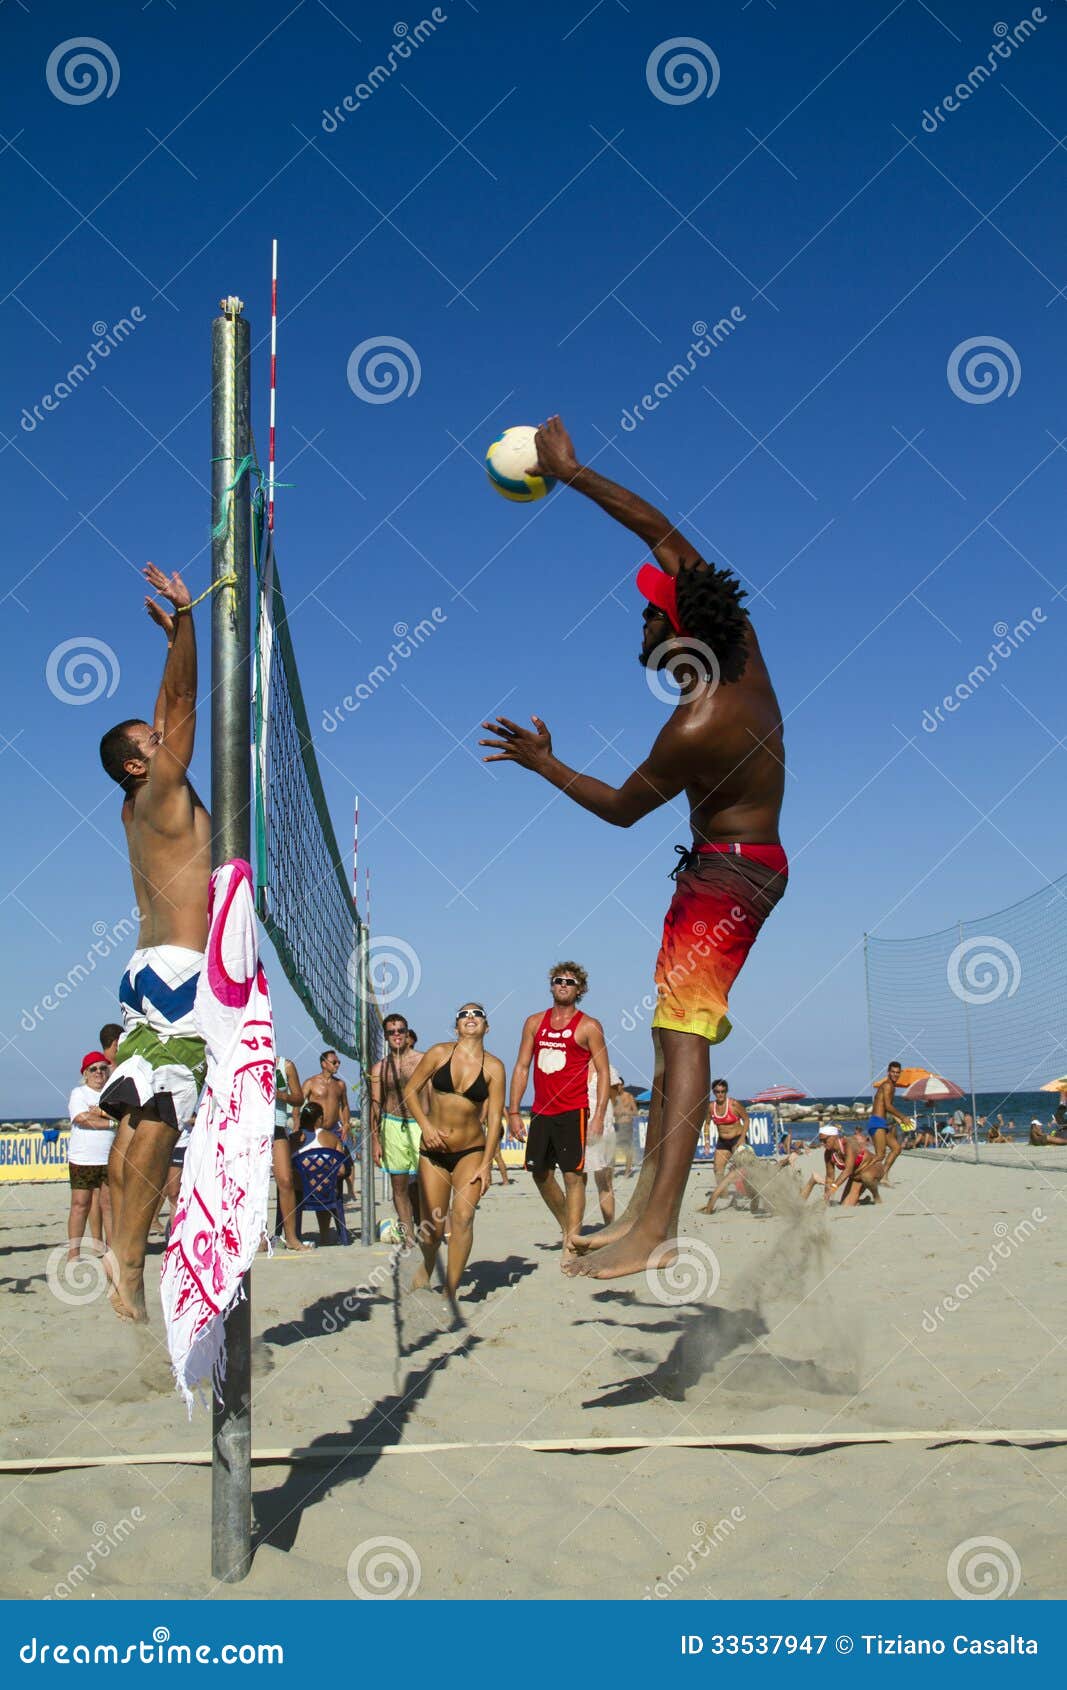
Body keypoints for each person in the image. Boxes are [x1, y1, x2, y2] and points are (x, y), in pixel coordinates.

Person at [481, 416, 787, 1282]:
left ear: (678, 629)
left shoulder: (697, 724)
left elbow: (620, 810)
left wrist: (543, 764)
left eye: (653, 610)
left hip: (726, 878)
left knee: (682, 1042)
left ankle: (655, 1227)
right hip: (735, 870)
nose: (644, 614)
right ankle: (647, 1212)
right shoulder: (740, 651)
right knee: (668, 1037)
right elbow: (657, 528)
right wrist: (572, 473)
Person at [97, 564, 211, 1322]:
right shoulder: (164, 789)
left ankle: (118, 1251)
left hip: (145, 968)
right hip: (179, 970)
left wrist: (172, 642)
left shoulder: (136, 804)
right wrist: (188, 615)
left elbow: (166, 707)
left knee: (139, 1113)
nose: (163, 736)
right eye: (151, 742)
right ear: (140, 764)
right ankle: (133, 1262)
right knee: (162, 1118)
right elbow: (183, 700)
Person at [402, 1003, 507, 1302]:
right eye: (464, 1014)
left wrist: (486, 1164)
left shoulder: (495, 1067)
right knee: (433, 1229)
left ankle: (450, 1288)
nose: (470, 1017)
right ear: (456, 1025)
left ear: (487, 1026)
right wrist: (426, 1127)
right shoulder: (438, 1053)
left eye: (477, 1014)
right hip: (433, 1151)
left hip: (471, 1151)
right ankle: (427, 1263)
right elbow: (410, 1091)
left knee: (462, 1217)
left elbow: (494, 1119)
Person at [507, 963, 610, 1263]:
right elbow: (522, 1067)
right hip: (541, 1111)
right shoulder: (534, 1022)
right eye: (558, 980)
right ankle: (570, 1227)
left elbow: (603, 1072)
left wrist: (599, 1116)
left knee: (573, 1177)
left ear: (580, 989)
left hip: (573, 1111)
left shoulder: (588, 1026)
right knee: (539, 1173)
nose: (563, 984)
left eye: (570, 981)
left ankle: (571, 1244)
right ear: (551, 985)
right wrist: (514, 1111)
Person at [370, 1014, 424, 1242]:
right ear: (385, 1036)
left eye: (400, 1030)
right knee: (399, 1185)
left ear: (407, 1032)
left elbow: (435, 1095)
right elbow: (375, 1104)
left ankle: (430, 1227)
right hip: (392, 1124)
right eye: (392, 1032)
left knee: (427, 1183)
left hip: (419, 1124)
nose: (397, 1035)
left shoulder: (423, 1060)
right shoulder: (379, 1068)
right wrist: (375, 1140)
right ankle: (408, 1234)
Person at [66, 1052, 115, 1265]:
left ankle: (112, 1251)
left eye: (103, 1068)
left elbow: (123, 1116)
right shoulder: (79, 1093)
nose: (99, 1072)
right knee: (80, 1204)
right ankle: (74, 1253)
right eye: (93, 1069)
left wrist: (100, 1113)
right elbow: (81, 1118)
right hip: (83, 1158)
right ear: (85, 1073)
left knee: (109, 1205)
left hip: (110, 1158)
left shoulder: (114, 1094)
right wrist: (112, 1121)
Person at [290, 1101, 346, 1245]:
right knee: (325, 1182)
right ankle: (325, 1234)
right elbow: (341, 1171)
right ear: (320, 1118)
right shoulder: (333, 1138)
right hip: (326, 1193)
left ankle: (294, 1234)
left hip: (302, 1193)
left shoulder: (293, 1139)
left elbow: (288, 1169)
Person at [272, 1055, 311, 1251]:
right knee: (252, 1183)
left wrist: (281, 1095)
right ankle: (258, 1236)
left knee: (286, 1180)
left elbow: (299, 1098)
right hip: (251, 1128)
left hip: (277, 1126)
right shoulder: (245, 1060)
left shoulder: (285, 1065)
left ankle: (291, 1237)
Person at [303, 1050, 352, 1198]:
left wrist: (346, 1124)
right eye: (334, 1062)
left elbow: (345, 1106)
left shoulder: (340, 1084)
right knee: (317, 1165)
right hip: (315, 1132)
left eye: (339, 1062)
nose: (337, 1065)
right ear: (324, 1064)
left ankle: (334, 1196)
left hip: (334, 1131)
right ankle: (317, 1195)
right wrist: (299, 1129)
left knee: (342, 1168)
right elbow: (298, 1106)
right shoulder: (311, 1083)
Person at [698, 1078, 749, 1211]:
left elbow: (746, 1119)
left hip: (737, 1139)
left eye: (723, 1091)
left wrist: (742, 1138)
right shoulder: (711, 1107)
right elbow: (707, 1124)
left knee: (743, 1169)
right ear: (713, 1092)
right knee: (718, 1169)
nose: (720, 1094)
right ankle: (724, 1195)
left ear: (726, 1091)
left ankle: (750, 1192)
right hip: (723, 1142)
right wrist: (707, 1141)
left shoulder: (733, 1104)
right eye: (717, 1092)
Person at [585, 1062, 623, 1225]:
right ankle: (573, 1229)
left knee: (604, 1182)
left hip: (602, 1129)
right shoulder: (572, 1064)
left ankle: (609, 1226)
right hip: (575, 1127)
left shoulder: (607, 1068)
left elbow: (614, 1098)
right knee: (576, 1181)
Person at [869, 1062, 909, 1185]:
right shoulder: (887, 1085)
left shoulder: (891, 1086)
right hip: (877, 1122)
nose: (895, 1074)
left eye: (897, 1072)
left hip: (882, 1122)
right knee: (880, 1155)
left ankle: (883, 1176)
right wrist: (902, 1117)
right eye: (893, 1072)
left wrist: (896, 1119)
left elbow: (884, 1107)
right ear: (888, 1072)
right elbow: (887, 1106)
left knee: (896, 1148)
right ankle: (860, 1172)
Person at [614, 1081, 639, 1177]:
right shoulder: (615, 1097)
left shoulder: (629, 1096)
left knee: (628, 1148)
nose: (617, 1087)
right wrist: (616, 1112)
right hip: (617, 1125)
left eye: (618, 1085)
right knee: (613, 1148)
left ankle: (627, 1171)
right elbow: (612, 1112)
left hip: (627, 1124)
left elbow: (635, 1112)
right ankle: (612, 1171)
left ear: (622, 1085)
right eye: (616, 1086)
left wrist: (626, 1112)